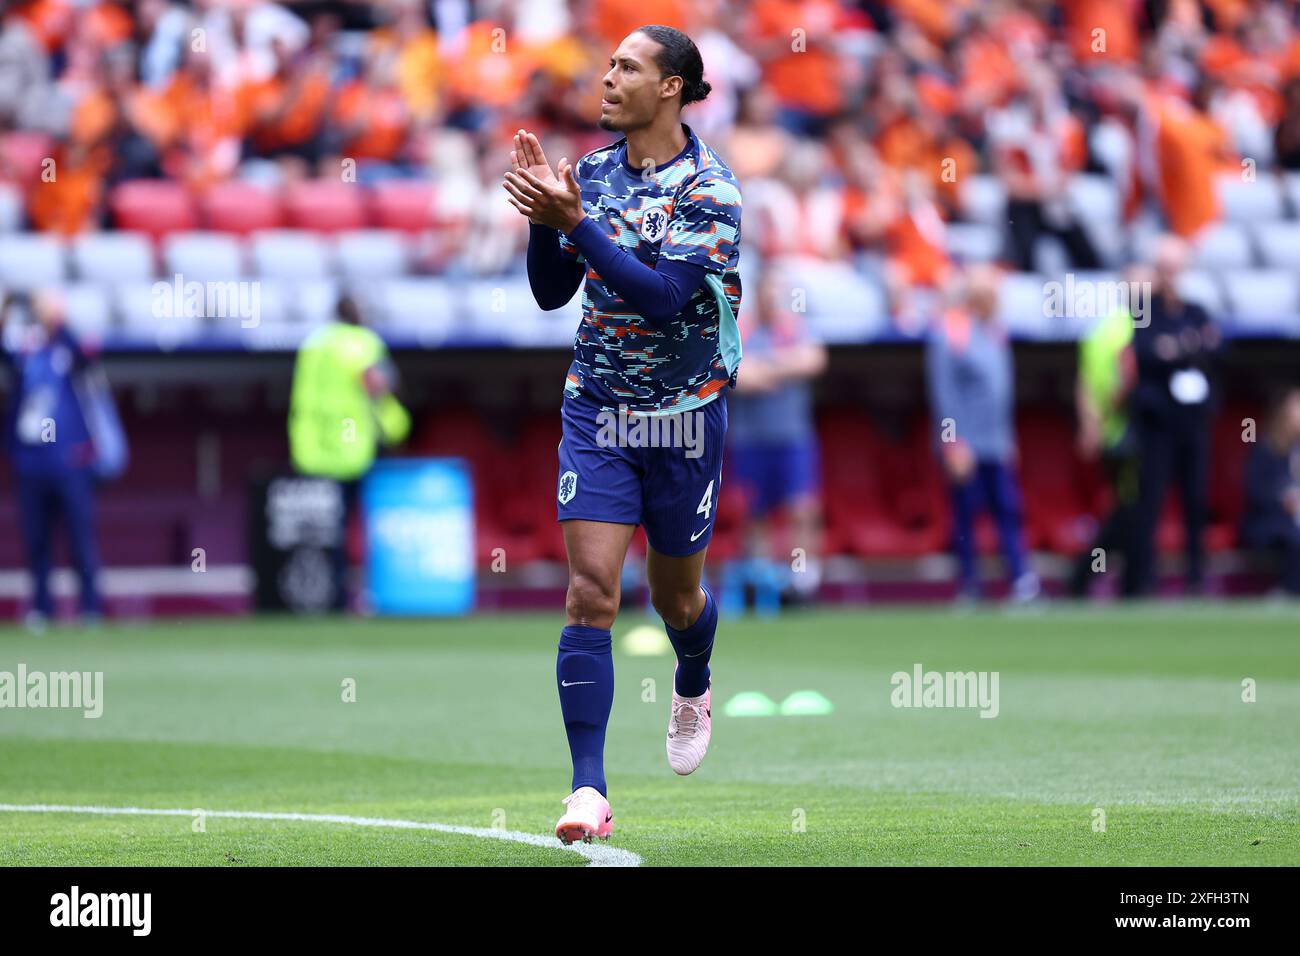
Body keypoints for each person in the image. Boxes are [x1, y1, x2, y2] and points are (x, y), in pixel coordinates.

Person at [504, 25, 742, 844]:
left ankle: (694, 675)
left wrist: (577, 223)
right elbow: (548, 294)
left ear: (671, 87)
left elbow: (664, 299)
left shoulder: (711, 191)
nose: (607, 78)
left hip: (683, 421)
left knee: (676, 597)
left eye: (628, 68)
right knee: (590, 593)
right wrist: (547, 218)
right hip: (597, 410)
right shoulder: (593, 175)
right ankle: (588, 791)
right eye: (609, 64)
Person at [287, 294, 410, 610]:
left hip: (313, 448)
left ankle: (326, 597)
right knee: (366, 525)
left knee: (327, 530)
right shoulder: (361, 343)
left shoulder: (313, 345)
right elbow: (377, 383)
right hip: (354, 450)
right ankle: (367, 597)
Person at [926, 266, 1039, 603]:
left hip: (996, 441)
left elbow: (1001, 392)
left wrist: (1008, 438)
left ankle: (1020, 580)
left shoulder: (995, 331)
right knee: (965, 516)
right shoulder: (952, 332)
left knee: (1008, 510)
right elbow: (943, 396)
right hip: (966, 444)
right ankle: (969, 585)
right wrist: (952, 444)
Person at [1, 290, 102, 630]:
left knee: (80, 537)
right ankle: (42, 608)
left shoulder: (65, 346)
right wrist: (10, 306)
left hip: (68, 459)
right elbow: (6, 350)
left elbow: (87, 356)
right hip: (31, 461)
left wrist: (58, 318)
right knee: (36, 540)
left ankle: (90, 607)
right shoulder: (23, 346)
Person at [1127, 236, 1221, 596]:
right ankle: (1144, 579)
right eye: (1163, 269)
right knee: (1150, 501)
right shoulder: (1145, 310)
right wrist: (1191, 344)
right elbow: (1148, 352)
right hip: (1158, 423)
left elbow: (1218, 346)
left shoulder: (1195, 309)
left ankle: (1197, 576)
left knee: (1195, 500)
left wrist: (1179, 347)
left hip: (1193, 421)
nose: (1169, 276)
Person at [727, 268, 826, 606]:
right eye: (768, 293)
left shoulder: (794, 328)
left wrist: (767, 367)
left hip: (792, 437)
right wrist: (783, 366)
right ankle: (763, 581)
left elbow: (814, 360)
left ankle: (802, 581)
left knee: (802, 507)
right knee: (754, 512)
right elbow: (736, 374)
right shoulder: (744, 328)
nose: (774, 300)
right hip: (750, 439)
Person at [1067, 273, 1142, 598]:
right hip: (1129, 434)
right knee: (1130, 510)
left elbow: (1084, 384)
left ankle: (1094, 575)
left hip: (1110, 433)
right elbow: (1125, 382)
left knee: (1126, 508)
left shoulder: (1099, 330)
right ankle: (1089, 575)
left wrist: (1090, 424)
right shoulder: (1131, 330)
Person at [1240, 387, 1300, 596]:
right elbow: (1255, 490)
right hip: (1269, 521)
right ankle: (1288, 591)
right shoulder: (1265, 448)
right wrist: (1285, 500)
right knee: (1294, 537)